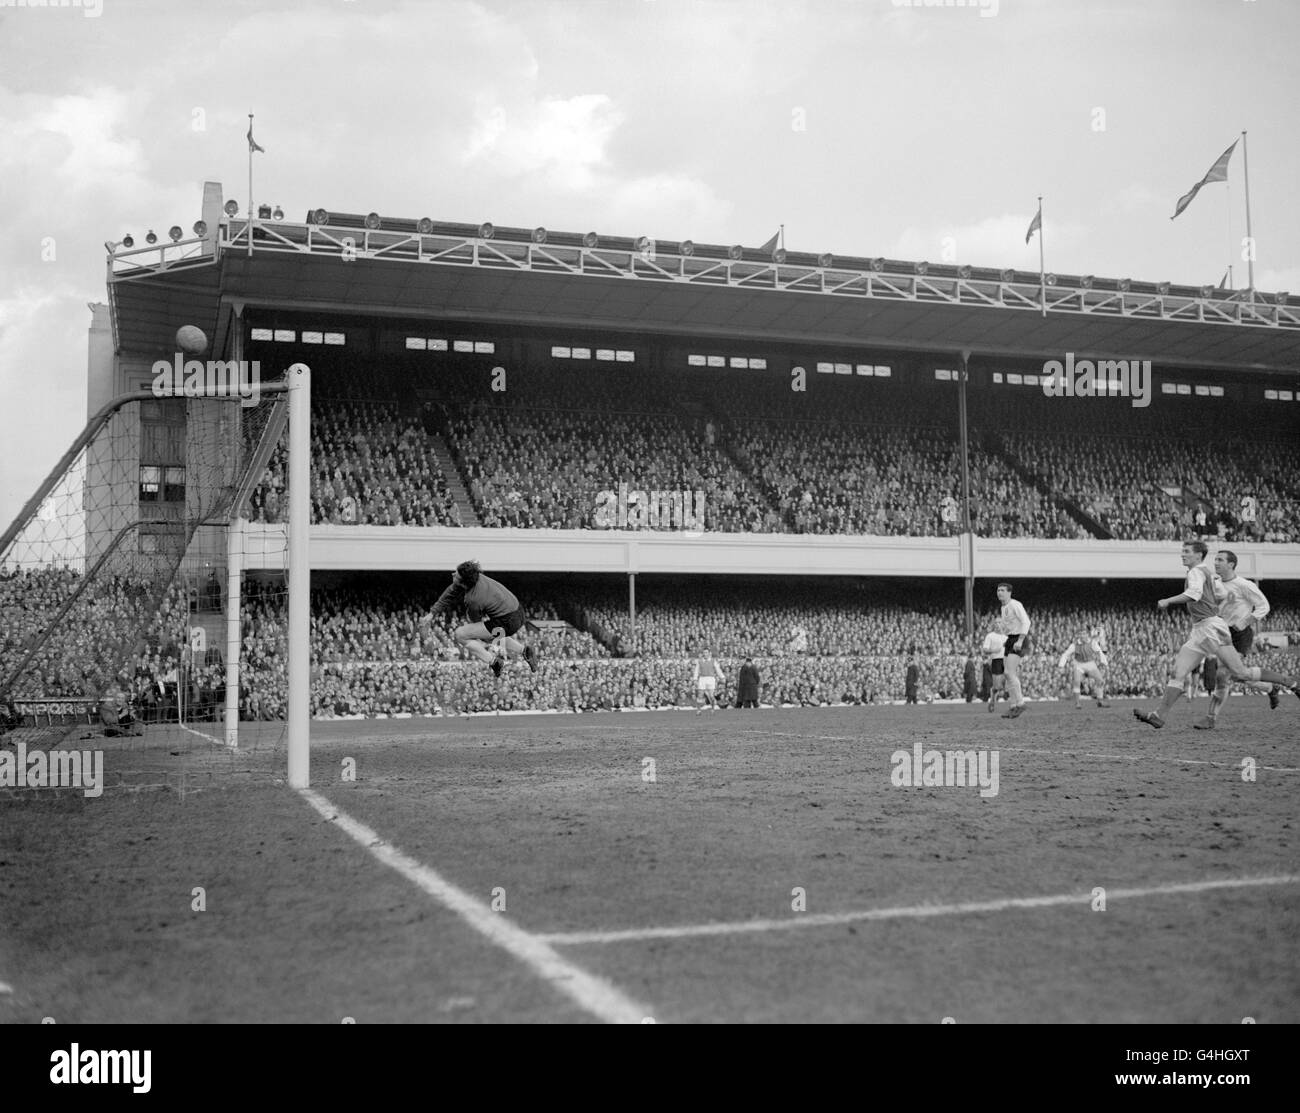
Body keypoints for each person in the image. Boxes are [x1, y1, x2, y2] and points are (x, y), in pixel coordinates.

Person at [1134, 541, 1298, 730]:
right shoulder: (1209, 575)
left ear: (1198, 555)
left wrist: (1167, 601)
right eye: (1183, 551)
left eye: (1186, 552)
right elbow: (1215, 594)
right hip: (1201, 629)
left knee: (1239, 673)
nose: (1182, 555)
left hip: (1214, 628)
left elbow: (1194, 593)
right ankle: (1158, 716)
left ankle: (1289, 682)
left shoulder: (1198, 572)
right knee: (1178, 672)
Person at [1194, 549, 1289, 729]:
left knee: (1223, 675)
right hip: (1222, 633)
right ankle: (1270, 688)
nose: (1216, 563)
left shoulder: (1244, 585)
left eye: (1220, 560)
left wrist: (1245, 621)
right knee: (1237, 675)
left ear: (1231, 564)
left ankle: (1210, 718)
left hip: (1239, 634)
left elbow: (1263, 606)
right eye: (1215, 560)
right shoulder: (1214, 584)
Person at [427, 560, 539, 679]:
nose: (452, 574)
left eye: (456, 574)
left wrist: (479, 637)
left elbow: (475, 620)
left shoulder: (473, 599)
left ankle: (494, 662)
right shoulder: (476, 577)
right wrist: (432, 613)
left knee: (460, 635)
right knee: (487, 635)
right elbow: (451, 591)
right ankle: (525, 651)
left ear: (463, 582)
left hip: (508, 620)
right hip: (518, 610)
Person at [996, 583, 1031, 718]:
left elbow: (1026, 622)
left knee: (1009, 672)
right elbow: (1008, 627)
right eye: (998, 590)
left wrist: (1020, 640)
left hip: (1018, 639)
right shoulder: (1003, 607)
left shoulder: (1015, 604)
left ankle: (1020, 704)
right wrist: (1002, 628)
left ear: (1009, 592)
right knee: (1007, 674)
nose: (1000, 593)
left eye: (1002, 590)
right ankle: (1013, 705)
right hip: (1011, 639)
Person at [1057, 631, 1110, 709]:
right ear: (1079, 636)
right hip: (1079, 664)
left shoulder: (1092, 643)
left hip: (1090, 663)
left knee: (1100, 681)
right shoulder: (1074, 645)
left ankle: (1100, 701)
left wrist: (1105, 663)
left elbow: (1100, 652)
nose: (1083, 636)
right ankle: (1077, 703)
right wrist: (1061, 666)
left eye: (1084, 634)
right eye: (1081, 634)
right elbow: (1066, 654)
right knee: (1077, 681)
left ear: (1087, 635)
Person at [981, 621, 1008, 712]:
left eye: (1000, 623)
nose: (998, 624)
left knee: (1010, 681)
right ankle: (992, 701)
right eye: (996, 623)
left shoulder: (1006, 637)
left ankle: (1015, 703)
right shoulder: (990, 636)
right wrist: (994, 650)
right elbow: (985, 650)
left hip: (1006, 660)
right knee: (997, 686)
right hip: (996, 660)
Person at [694, 649, 724, 714]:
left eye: (706, 652)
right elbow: (696, 671)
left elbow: (718, 670)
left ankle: (712, 709)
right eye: (704, 652)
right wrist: (695, 679)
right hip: (702, 678)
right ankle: (698, 710)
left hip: (711, 678)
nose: (705, 654)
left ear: (709, 653)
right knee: (700, 695)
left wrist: (722, 677)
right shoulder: (699, 661)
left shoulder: (713, 661)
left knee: (711, 695)